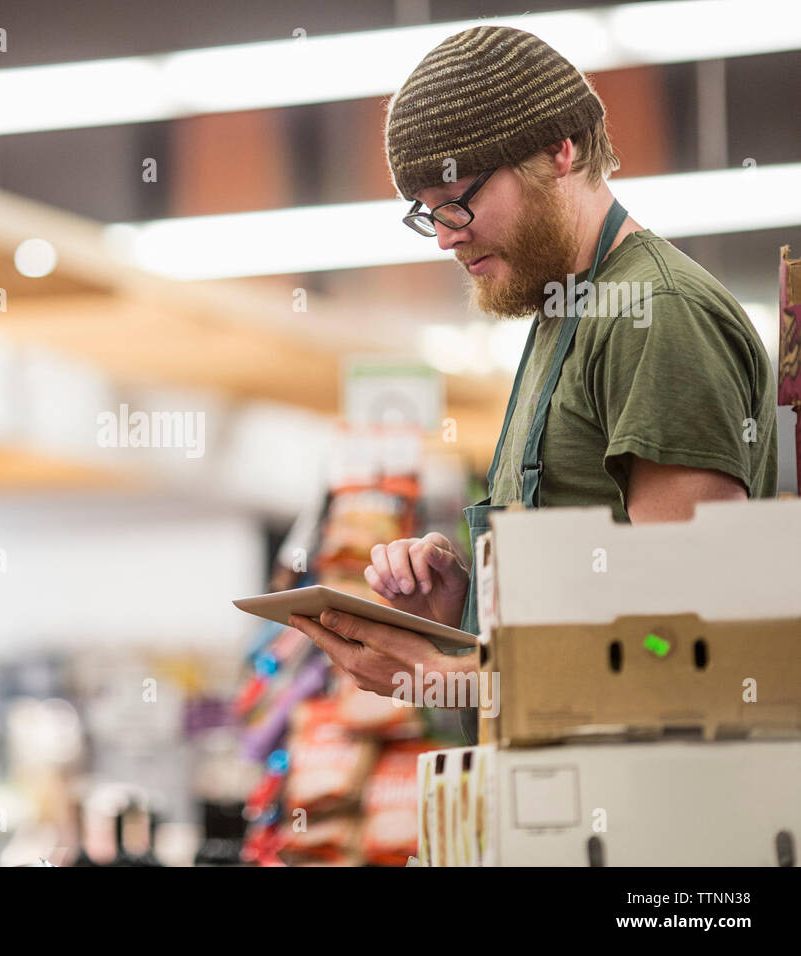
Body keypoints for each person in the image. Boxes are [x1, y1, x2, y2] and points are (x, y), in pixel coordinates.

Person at [287, 25, 777, 744]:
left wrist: (446, 674)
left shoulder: (652, 316)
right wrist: (464, 610)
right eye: (427, 212)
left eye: (458, 199)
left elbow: (686, 639)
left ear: (559, 151)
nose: (446, 235)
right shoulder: (562, 314)